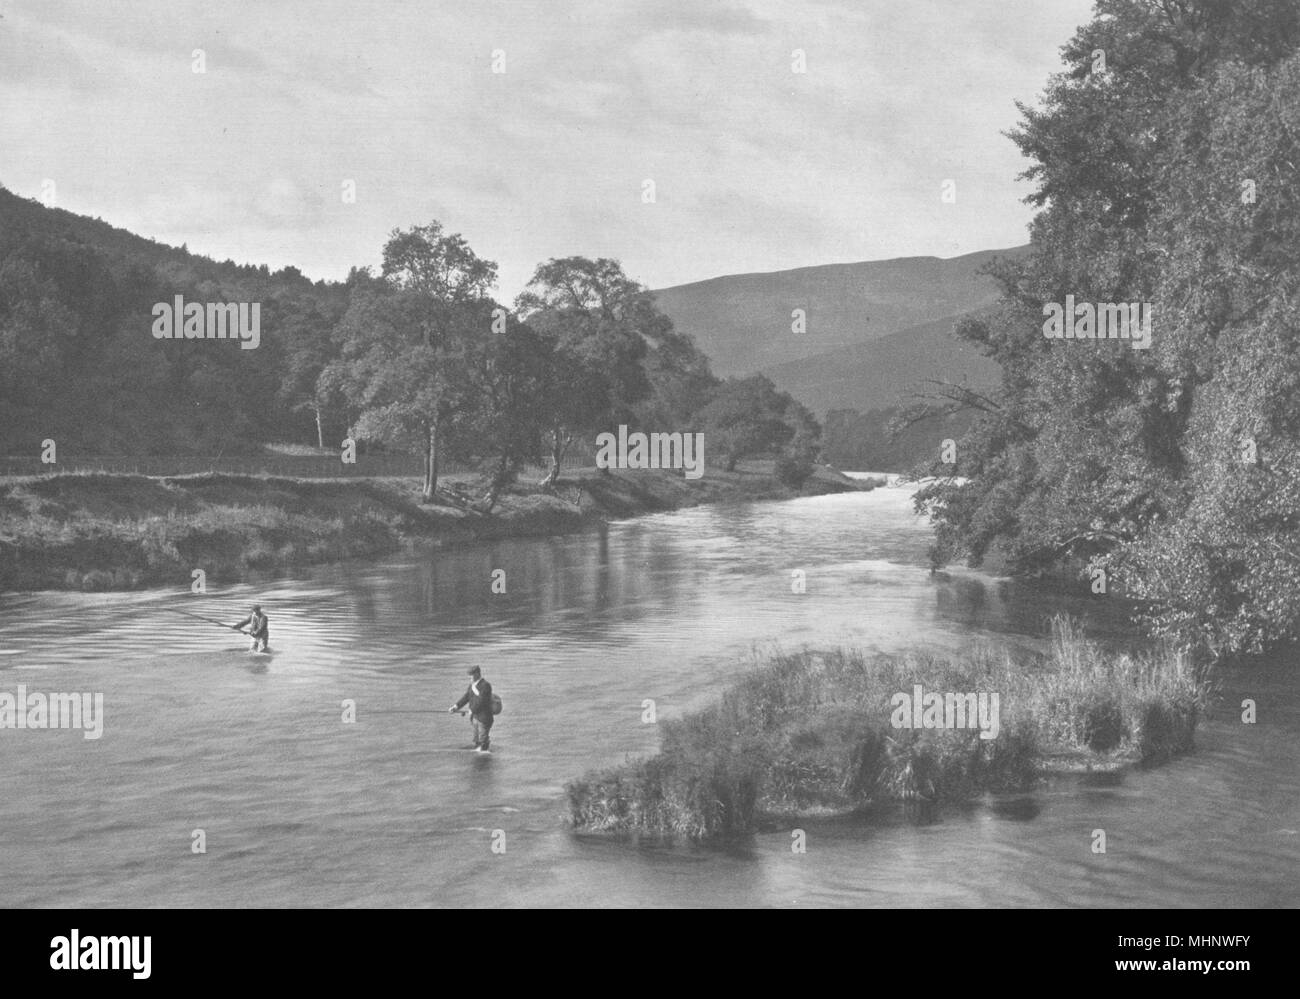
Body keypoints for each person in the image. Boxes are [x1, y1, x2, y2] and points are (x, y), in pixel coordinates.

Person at [449, 665, 493, 753]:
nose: (470, 678)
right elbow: (466, 697)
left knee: (483, 741)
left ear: (477, 674)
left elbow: (482, 701)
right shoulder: (472, 685)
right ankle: (479, 756)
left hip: (484, 718)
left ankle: (484, 757)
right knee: (477, 740)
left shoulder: (485, 685)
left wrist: (472, 710)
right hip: (475, 718)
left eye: (471, 675)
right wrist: (456, 707)